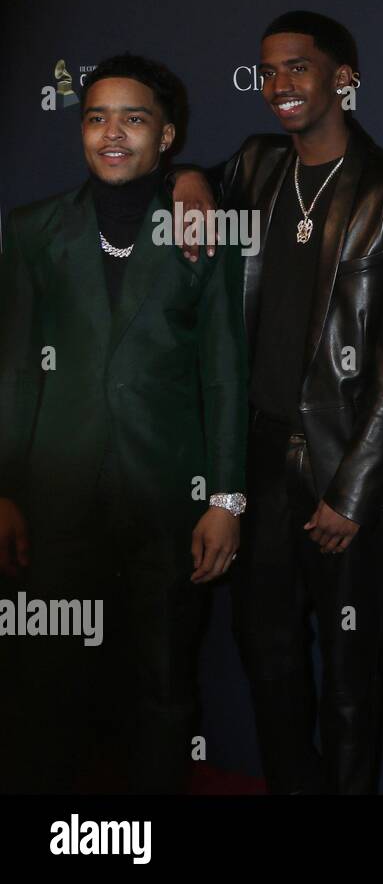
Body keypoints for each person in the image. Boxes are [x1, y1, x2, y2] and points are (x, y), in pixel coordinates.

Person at [172, 11, 383, 793]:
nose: (279, 84)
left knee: (354, 677)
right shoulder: (254, 166)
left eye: (297, 67)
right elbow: (191, 182)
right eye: (268, 70)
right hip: (256, 459)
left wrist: (353, 491)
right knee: (269, 660)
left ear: (342, 77)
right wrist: (186, 178)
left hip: (342, 469)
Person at [0, 54, 246, 792]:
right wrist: (5, 489)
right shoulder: (32, 230)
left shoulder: (205, 230)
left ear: (166, 135)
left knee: (163, 690)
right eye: (97, 117)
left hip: (168, 499)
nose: (113, 134)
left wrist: (225, 498)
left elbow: (224, 372)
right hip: (54, 503)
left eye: (133, 118)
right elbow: (13, 369)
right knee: (46, 692)